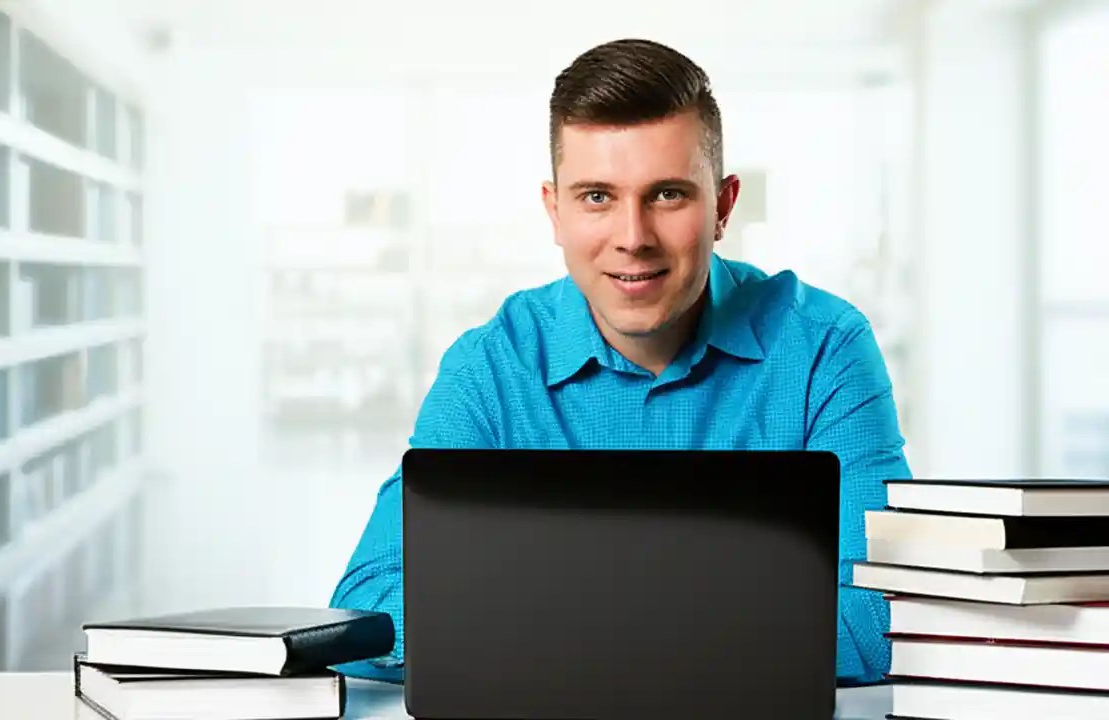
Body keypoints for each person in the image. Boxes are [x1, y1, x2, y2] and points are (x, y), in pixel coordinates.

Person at [328, 37, 910, 686]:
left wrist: (551, 628)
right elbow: (365, 610)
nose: (632, 238)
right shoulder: (489, 370)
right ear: (555, 211)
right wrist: (699, 631)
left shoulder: (825, 350)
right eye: (597, 197)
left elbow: (883, 614)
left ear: (723, 205)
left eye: (666, 195)